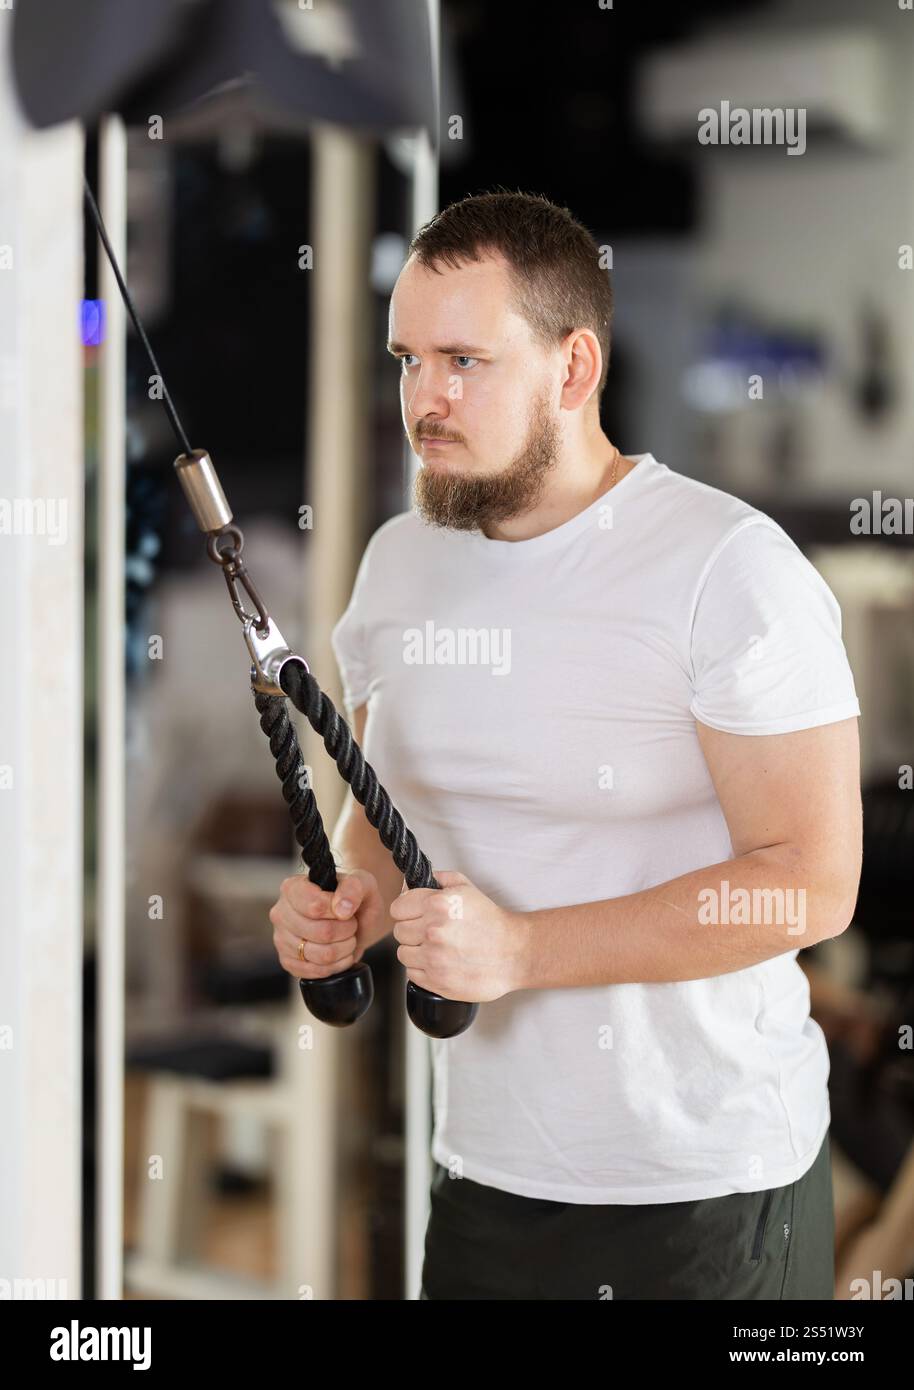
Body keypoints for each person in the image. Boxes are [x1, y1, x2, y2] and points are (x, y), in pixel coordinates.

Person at [268, 190, 863, 1300]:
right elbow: (382, 813)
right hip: (485, 1172)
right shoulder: (401, 562)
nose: (422, 399)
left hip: (705, 1189)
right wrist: (340, 900)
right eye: (406, 357)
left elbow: (810, 884)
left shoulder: (728, 568)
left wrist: (526, 951)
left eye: (463, 360)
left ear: (573, 368)